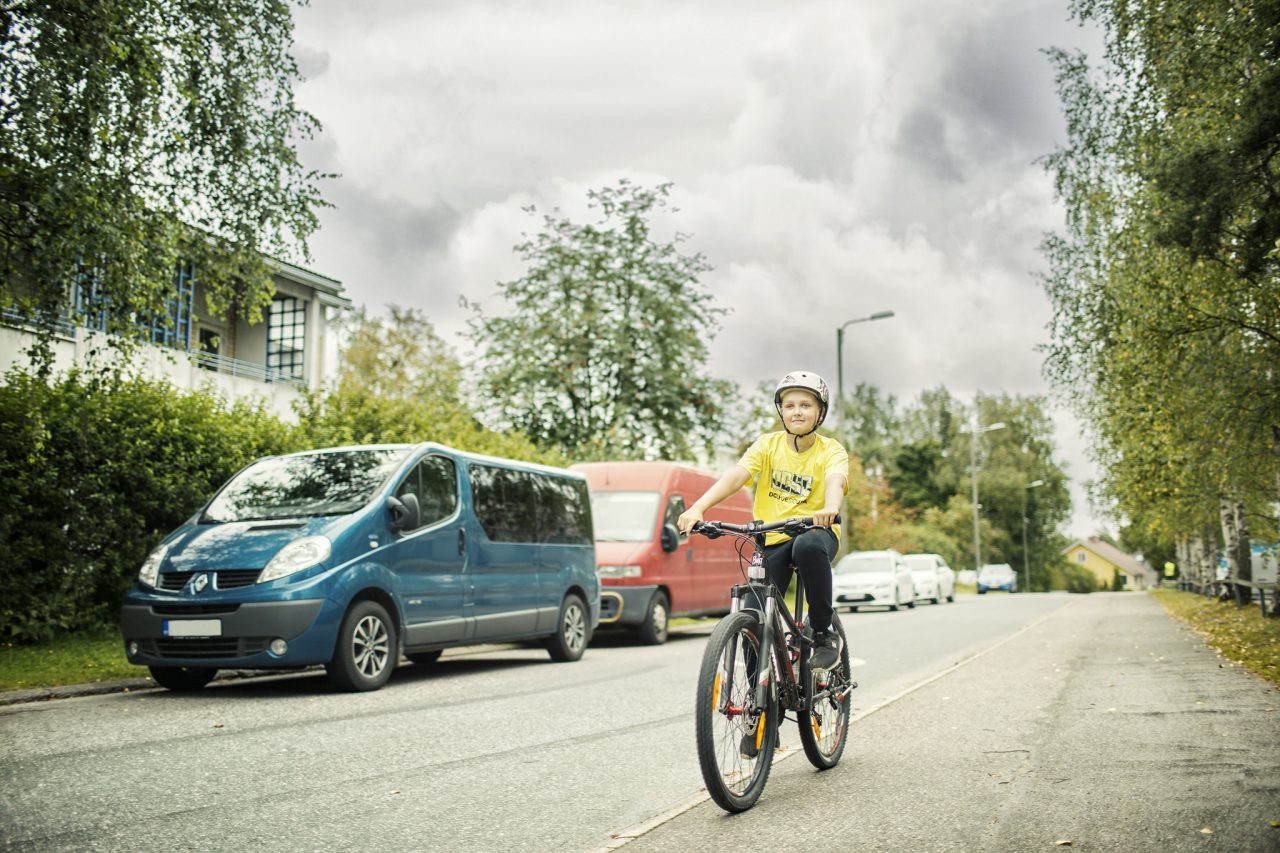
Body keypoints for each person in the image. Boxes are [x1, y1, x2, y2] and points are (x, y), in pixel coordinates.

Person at [677, 370, 849, 673]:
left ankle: (823, 634)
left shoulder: (831, 449)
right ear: (781, 411)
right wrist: (698, 508)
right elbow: (736, 477)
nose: (797, 412)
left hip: (815, 531)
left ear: (820, 411)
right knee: (753, 619)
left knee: (807, 545)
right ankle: (759, 696)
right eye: (790, 405)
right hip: (772, 537)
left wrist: (830, 507)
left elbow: (835, 480)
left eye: (806, 405)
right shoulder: (767, 445)